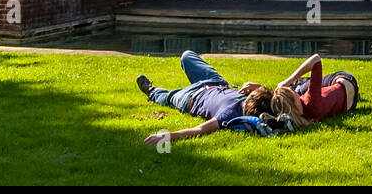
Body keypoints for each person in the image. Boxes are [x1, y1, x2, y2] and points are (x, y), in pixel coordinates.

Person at [137, 50, 272, 145]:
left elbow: (199, 130)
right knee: (186, 56)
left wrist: (167, 136)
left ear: (251, 103)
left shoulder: (230, 114)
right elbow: (281, 95)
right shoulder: (259, 101)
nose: (251, 93)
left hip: (191, 98)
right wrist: (258, 86)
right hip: (216, 82)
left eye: (253, 94)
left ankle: (152, 91)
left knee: (167, 97)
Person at [269, 53, 358, 129]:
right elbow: (316, 59)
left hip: (350, 103)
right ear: (294, 101)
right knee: (299, 88)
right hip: (346, 80)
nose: (294, 92)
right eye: (292, 92)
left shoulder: (302, 117)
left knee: (300, 88)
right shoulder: (310, 101)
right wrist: (288, 81)